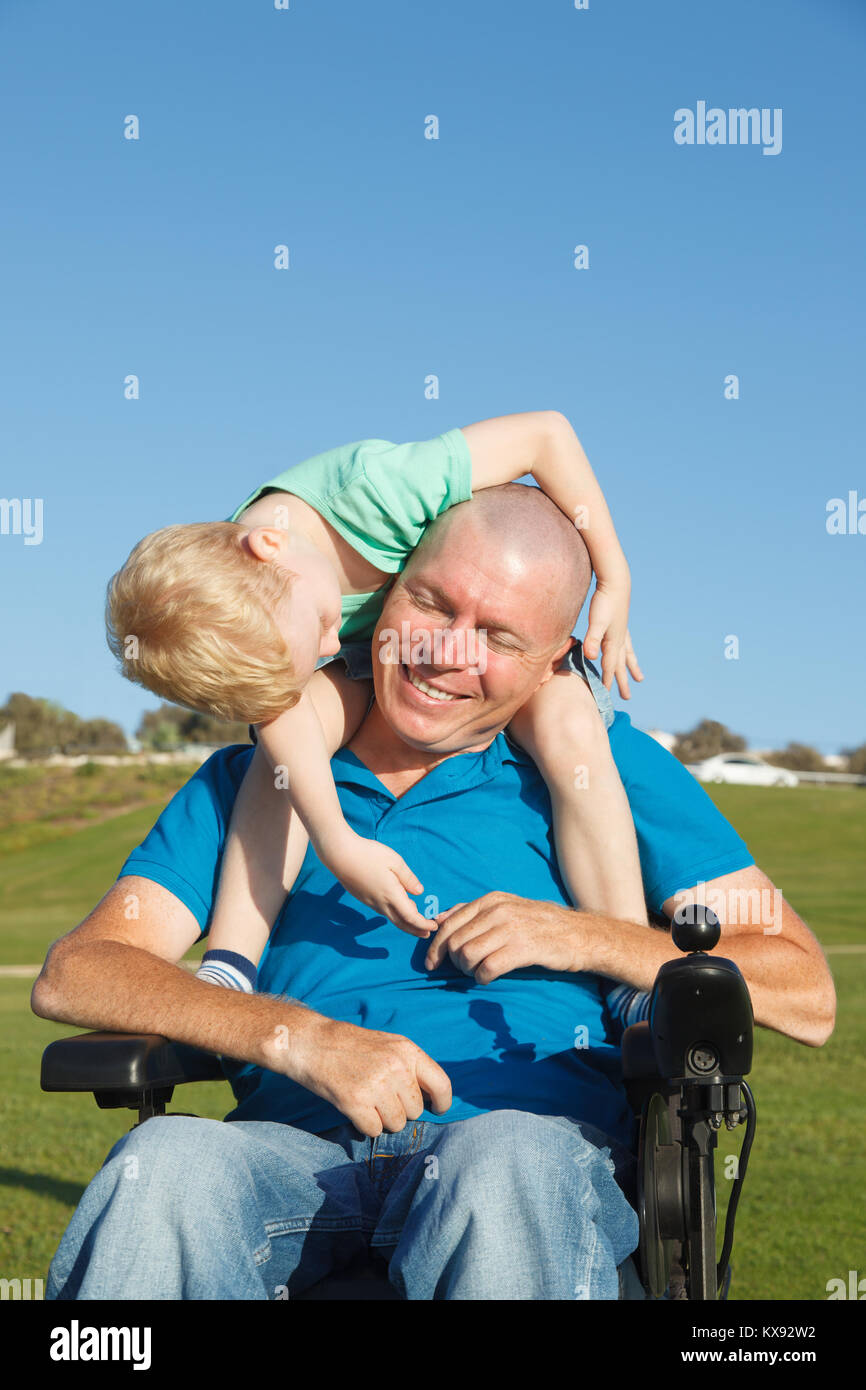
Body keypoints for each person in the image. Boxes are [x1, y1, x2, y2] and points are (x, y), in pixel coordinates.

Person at [33, 485, 836, 1300]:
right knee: (161, 1168)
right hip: (289, 1163)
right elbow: (82, 971)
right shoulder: (259, 781)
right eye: (431, 602)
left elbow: (805, 990)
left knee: (505, 1165)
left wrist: (585, 937)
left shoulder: (603, 771)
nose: (447, 652)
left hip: (523, 1146)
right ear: (382, 592)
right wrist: (296, 1039)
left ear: (555, 658)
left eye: (498, 636)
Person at [104, 410, 647, 1000]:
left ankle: (627, 963)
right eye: (315, 643)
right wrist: (337, 839)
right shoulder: (256, 605)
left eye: (320, 626)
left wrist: (614, 577)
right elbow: (283, 713)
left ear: (269, 545)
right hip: (399, 647)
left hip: (447, 641)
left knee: (571, 726)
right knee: (285, 751)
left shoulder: (377, 492)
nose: (332, 648)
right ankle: (230, 963)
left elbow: (547, 435)